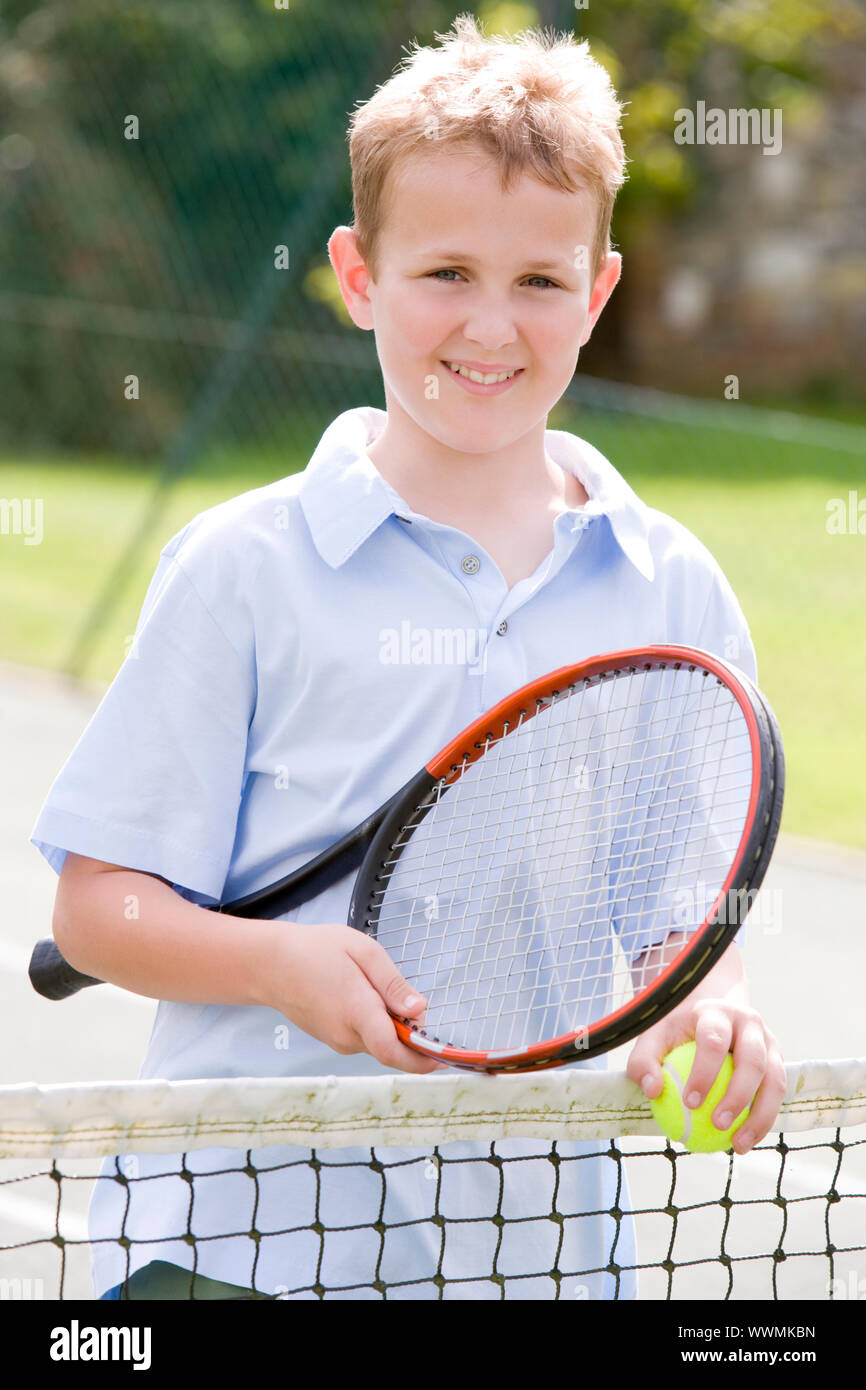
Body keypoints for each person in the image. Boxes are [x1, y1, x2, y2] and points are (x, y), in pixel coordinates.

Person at [32, 15, 785, 1300]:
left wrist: (701, 1033)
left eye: (539, 281)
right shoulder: (241, 567)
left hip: (534, 1256)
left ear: (596, 294)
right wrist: (274, 963)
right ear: (358, 273)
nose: (488, 325)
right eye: (445, 272)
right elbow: (98, 913)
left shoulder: (671, 590)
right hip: (234, 1248)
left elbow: (675, 940)